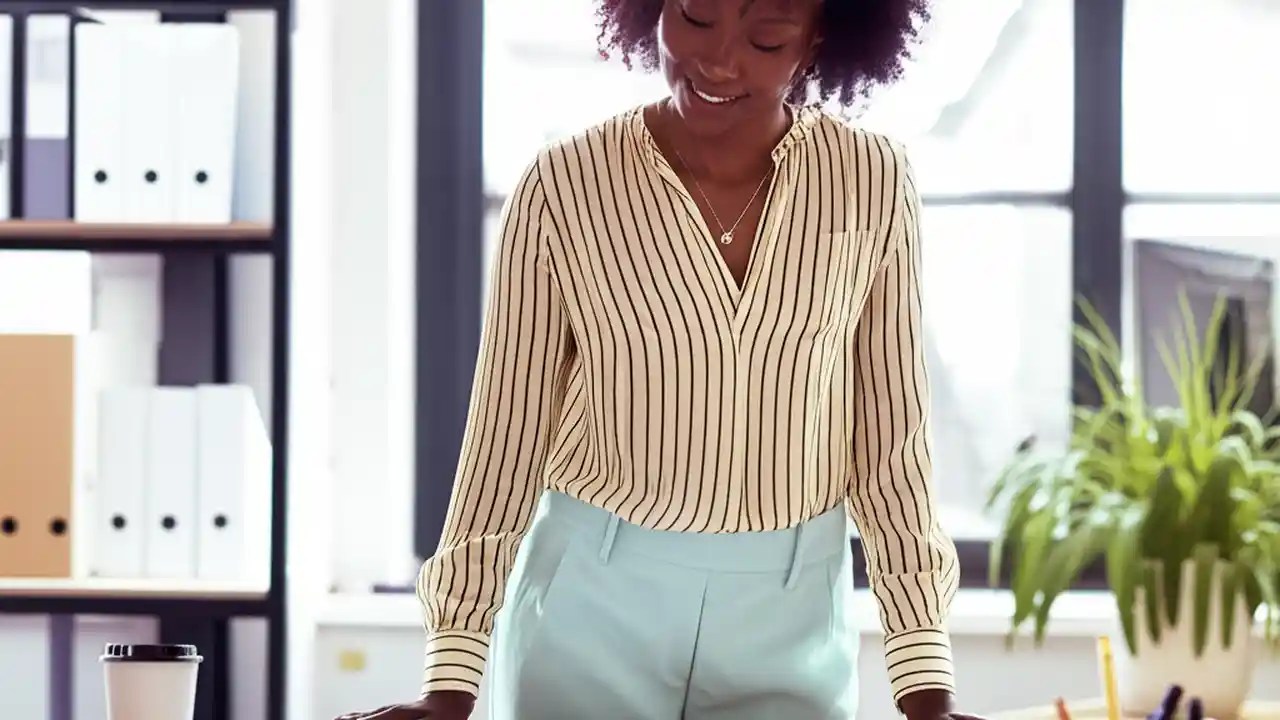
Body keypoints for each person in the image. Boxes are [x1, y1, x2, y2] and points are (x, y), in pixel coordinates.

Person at [341, 0, 988, 718]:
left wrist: (925, 681)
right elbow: (505, 441)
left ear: (820, 38)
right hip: (592, 601)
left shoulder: (872, 181)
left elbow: (893, 440)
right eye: (695, 17)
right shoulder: (565, 186)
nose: (718, 60)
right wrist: (451, 682)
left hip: (792, 609)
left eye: (766, 38)